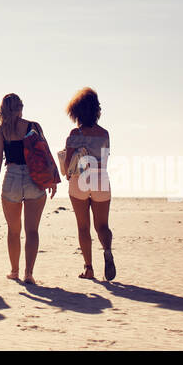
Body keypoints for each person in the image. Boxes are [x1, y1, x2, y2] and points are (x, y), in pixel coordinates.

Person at [0, 93, 57, 283]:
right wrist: (51, 178)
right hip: (33, 178)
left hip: (11, 178)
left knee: (13, 230)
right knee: (32, 230)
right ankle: (29, 273)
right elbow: (45, 152)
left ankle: (14, 271)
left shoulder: (0, 130)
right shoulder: (33, 126)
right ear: (20, 108)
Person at [63, 87, 114, 281]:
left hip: (80, 180)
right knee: (102, 225)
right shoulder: (104, 134)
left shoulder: (74, 134)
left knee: (83, 227)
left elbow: (68, 166)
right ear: (96, 110)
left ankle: (89, 268)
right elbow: (105, 158)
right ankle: (107, 250)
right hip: (100, 178)